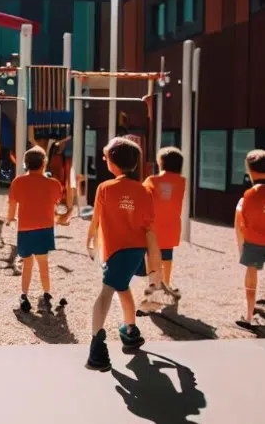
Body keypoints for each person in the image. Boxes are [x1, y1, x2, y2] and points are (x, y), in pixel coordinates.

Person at [85, 137, 160, 372]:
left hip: (116, 249)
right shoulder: (144, 191)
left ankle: (97, 346)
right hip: (136, 249)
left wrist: (90, 241)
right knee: (123, 288)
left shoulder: (105, 188)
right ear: (135, 164)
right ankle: (130, 331)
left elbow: (96, 219)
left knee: (106, 291)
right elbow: (148, 226)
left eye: (106, 157)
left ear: (112, 163)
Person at [6, 146, 66, 312]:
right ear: (44, 163)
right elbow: (55, 206)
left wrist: (9, 219)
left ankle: (24, 295)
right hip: (44, 229)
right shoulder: (53, 184)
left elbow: (12, 206)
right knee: (43, 263)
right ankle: (46, 292)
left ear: (25, 164)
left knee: (27, 264)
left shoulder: (17, 182)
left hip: (25, 229)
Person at [143, 147, 186, 298]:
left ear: (161, 163)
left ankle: (153, 284)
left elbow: (143, 197)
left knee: (151, 256)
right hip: (171, 226)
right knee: (167, 257)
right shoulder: (182, 181)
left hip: (153, 227)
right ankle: (166, 284)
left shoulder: (151, 180)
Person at [235, 149, 265, 330]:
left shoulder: (248, 195)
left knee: (251, 274)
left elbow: (240, 224)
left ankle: (248, 316)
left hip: (253, 241)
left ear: (249, 169)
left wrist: (241, 247)